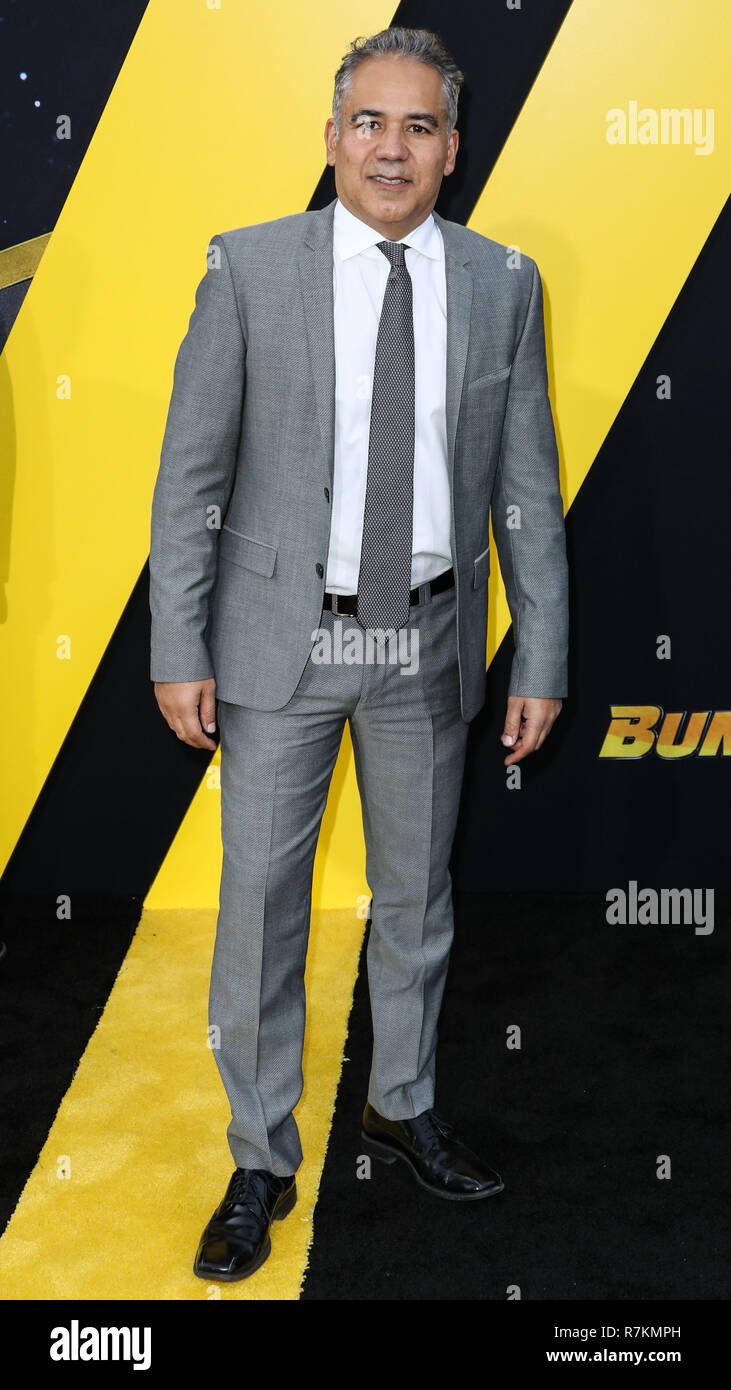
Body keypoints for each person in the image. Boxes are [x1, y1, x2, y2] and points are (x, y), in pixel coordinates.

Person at [149, 26, 568, 1282]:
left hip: (427, 644)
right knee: (261, 914)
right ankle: (259, 1156)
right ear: (330, 137)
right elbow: (190, 480)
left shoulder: (502, 280)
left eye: (419, 126)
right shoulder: (248, 268)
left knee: (417, 902)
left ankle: (400, 1097)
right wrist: (180, 638)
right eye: (369, 123)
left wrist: (537, 649)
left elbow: (526, 492)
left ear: (453, 147)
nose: (393, 148)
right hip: (283, 643)